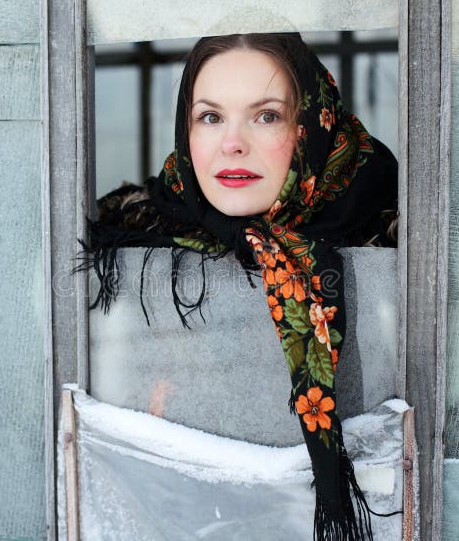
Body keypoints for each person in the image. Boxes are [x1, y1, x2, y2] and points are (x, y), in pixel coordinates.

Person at [82, 32, 397, 541]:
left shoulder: (390, 245)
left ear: (310, 126)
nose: (233, 142)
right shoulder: (133, 237)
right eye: (210, 117)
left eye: (266, 115)